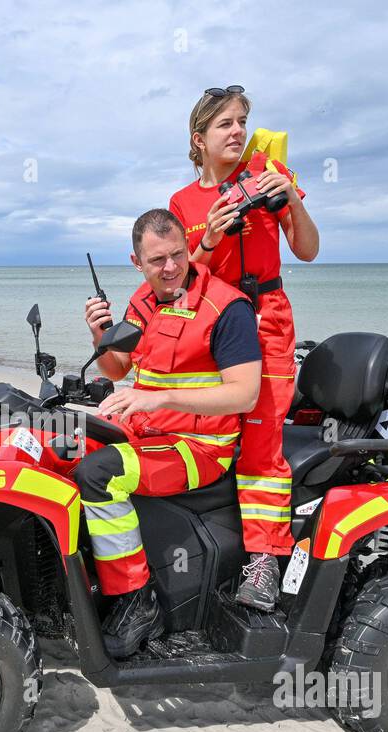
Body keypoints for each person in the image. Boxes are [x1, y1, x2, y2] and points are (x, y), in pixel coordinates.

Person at [80, 208, 262, 658]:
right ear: (136, 261)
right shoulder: (142, 300)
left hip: (200, 447)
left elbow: (245, 395)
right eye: (157, 259)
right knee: (64, 447)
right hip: (147, 430)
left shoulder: (227, 307)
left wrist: (159, 400)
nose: (170, 268)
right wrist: (100, 333)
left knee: (98, 474)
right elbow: (116, 367)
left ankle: (135, 599)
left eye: (178, 254)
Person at [167, 85, 319, 611]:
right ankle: (196, 546)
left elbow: (308, 250)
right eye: (225, 124)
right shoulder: (182, 203)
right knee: (202, 428)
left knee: (260, 440)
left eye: (242, 122)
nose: (236, 131)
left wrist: (291, 197)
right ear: (199, 138)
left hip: (269, 317)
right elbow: (180, 280)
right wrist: (207, 239)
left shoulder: (267, 177)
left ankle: (263, 563)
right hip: (215, 322)